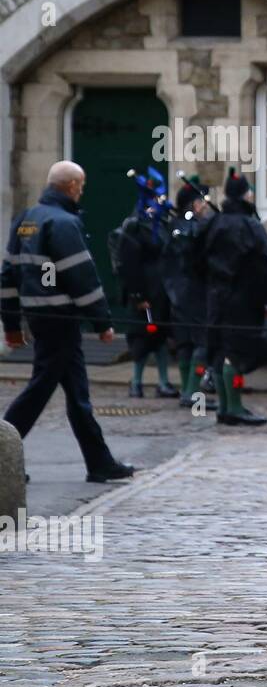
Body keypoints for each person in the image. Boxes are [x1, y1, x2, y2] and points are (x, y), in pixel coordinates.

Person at [1, 160, 134, 484]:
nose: (82, 191)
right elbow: (82, 278)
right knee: (40, 389)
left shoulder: (25, 220)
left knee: (77, 394)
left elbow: (7, 276)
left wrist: (13, 325)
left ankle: (99, 462)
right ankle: (3, 456)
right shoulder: (64, 224)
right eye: (82, 186)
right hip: (60, 319)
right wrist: (102, 322)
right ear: (72, 186)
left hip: (40, 317)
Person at [196, 168, 267, 427]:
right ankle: (233, 406)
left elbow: (196, 259)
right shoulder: (249, 226)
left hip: (217, 295)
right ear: (245, 196)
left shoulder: (213, 223)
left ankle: (226, 406)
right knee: (234, 354)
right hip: (242, 298)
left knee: (222, 350)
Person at [113, 168, 178, 399]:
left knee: (159, 337)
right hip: (143, 292)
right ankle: (137, 382)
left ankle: (163, 382)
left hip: (160, 291)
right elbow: (129, 265)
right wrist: (138, 296)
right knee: (142, 339)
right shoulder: (135, 226)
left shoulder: (161, 223)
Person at [162, 172, 214, 408]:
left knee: (186, 344)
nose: (205, 205)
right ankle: (193, 392)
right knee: (199, 344)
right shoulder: (191, 227)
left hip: (178, 292)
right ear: (194, 203)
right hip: (192, 292)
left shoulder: (175, 224)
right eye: (202, 201)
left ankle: (187, 390)